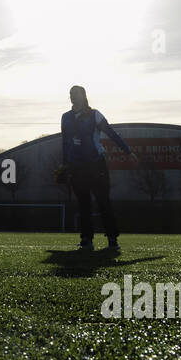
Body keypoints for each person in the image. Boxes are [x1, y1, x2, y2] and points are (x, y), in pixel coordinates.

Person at [61, 85, 133, 252]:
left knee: (103, 202)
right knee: (83, 204)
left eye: (76, 94)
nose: (73, 97)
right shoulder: (65, 118)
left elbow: (111, 133)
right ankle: (86, 240)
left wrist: (127, 150)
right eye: (71, 94)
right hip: (76, 166)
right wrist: (65, 164)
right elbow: (65, 143)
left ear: (84, 96)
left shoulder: (95, 115)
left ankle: (112, 240)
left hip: (96, 164)